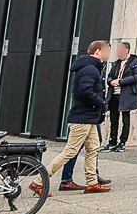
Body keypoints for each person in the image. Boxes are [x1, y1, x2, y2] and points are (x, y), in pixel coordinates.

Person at [42, 42, 112, 192]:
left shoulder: (91, 68)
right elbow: (85, 91)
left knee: (93, 148)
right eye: (106, 51)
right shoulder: (90, 69)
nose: (108, 54)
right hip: (82, 118)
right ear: (98, 52)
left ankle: (92, 182)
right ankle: (41, 180)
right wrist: (101, 102)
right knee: (70, 151)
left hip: (90, 118)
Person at [105, 40, 137, 151]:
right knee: (113, 119)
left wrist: (121, 82)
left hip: (126, 95)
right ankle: (112, 142)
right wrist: (111, 82)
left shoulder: (135, 62)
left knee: (125, 119)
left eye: (120, 50)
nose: (118, 52)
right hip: (114, 94)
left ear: (126, 50)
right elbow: (109, 76)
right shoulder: (116, 63)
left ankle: (122, 142)